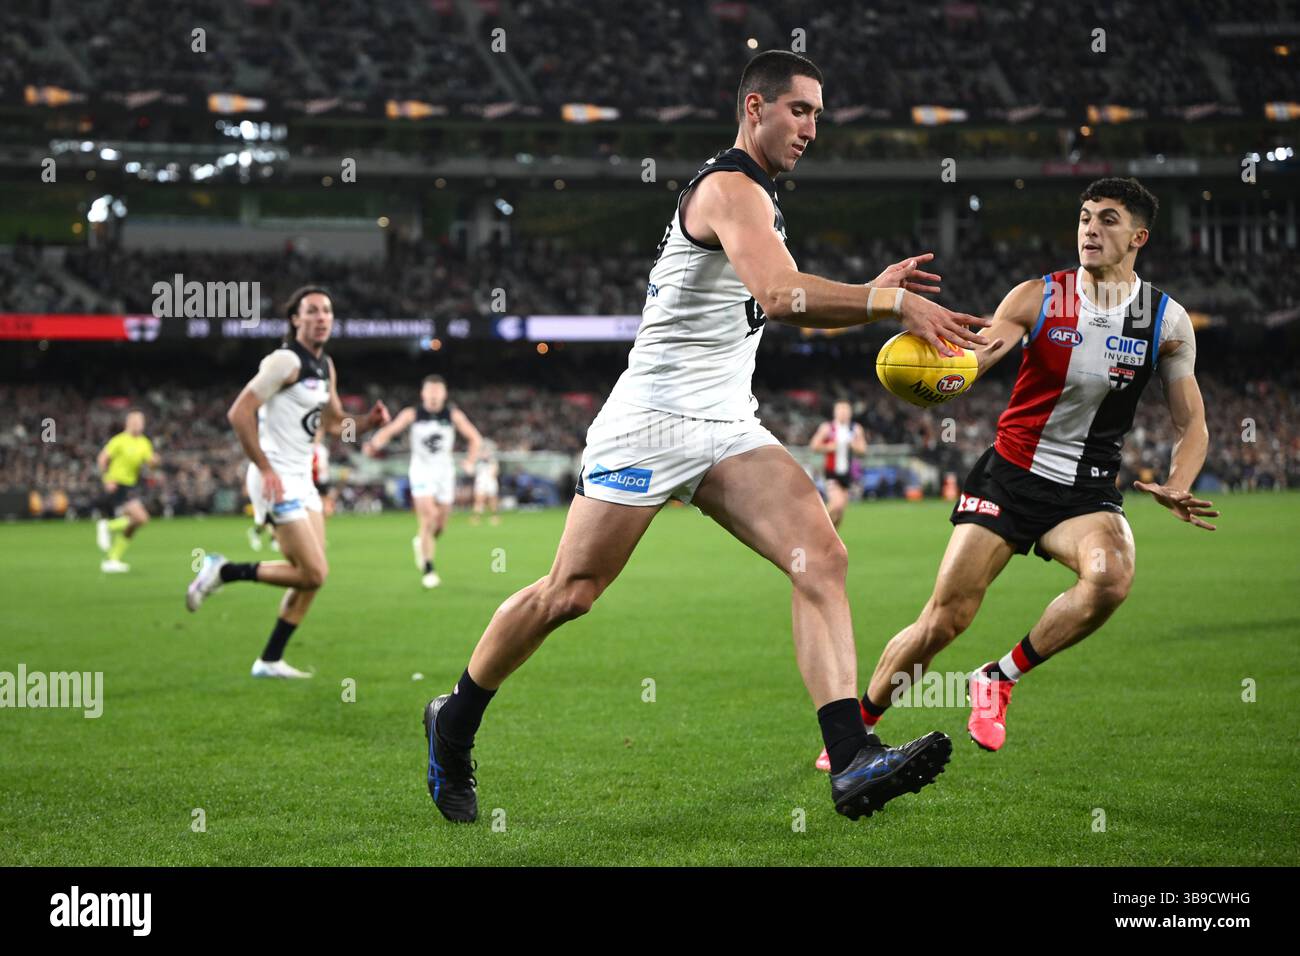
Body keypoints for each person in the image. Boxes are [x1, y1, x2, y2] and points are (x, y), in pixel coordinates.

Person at [420, 50, 993, 824]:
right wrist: (886, 302)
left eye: (820, 114)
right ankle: (452, 723)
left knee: (820, 555)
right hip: (649, 421)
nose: (813, 128)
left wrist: (871, 296)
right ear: (755, 106)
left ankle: (852, 757)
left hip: (725, 423)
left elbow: (776, 292)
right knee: (570, 594)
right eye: (801, 110)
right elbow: (782, 295)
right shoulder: (729, 186)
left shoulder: (758, 200)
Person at [813, 177, 1216, 770]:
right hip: (1011, 473)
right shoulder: (1038, 297)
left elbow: (1193, 423)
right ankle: (857, 730)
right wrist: (944, 371)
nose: (1090, 229)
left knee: (1112, 576)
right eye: (1084, 217)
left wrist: (1180, 480)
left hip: (1086, 491)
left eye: (1107, 220)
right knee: (943, 621)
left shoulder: (1165, 321)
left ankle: (997, 678)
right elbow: (983, 353)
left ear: (1139, 236)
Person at [185, 287, 390, 677]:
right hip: (275, 477)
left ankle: (270, 660)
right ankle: (223, 570)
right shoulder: (283, 361)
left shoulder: (325, 365)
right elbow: (239, 413)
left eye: (327, 310)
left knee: (311, 577)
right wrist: (264, 467)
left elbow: (332, 425)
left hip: (303, 478)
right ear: (295, 319)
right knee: (314, 573)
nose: (321, 317)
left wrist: (366, 424)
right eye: (312, 311)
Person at [363, 376, 483, 588]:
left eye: (438, 391)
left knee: (440, 525)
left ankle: (422, 542)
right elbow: (390, 431)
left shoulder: (453, 415)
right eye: (431, 391)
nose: (434, 395)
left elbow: (475, 438)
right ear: (423, 394)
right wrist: (375, 444)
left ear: (444, 394)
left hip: (445, 473)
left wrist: (470, 461)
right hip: (421, 472)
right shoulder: (412, 414)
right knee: (428, 517)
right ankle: (428, 568)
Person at [95, 409, 158, 573]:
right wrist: (106, 479)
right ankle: (107, 526)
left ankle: (112, 559)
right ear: (128, 423)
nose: (139, 425)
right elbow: (102, 459)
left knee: (135, 523)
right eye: (135, 422)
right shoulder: (119, 440)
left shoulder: (144, 442)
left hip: (131, 485)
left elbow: (150, 463)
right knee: (141, 518)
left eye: (141, 422)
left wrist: (154, 462)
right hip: (118, 484)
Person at [809, 400, 867, 528]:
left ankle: (830, 539)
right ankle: (814, 528)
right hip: (831, 473)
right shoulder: (828, 428)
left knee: (840, 512)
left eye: (846, 410)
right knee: (837, 504)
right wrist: (830, 447)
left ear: (850, 413)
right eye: (840, 410)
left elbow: (863, 450)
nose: (843, 413)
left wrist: (853, 446)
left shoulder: (855, 429)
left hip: (847, 474)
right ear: (835, 412)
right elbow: (814, 446)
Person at [470, 443, 501, 526]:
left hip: (490, 482)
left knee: (492, 499)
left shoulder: (493, 461)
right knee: (478, 500)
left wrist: (492, 476)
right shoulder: (478, 462)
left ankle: (495, 516)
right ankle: (476, 517)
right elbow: (472, 472)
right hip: (480, 482)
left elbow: (496, 471)